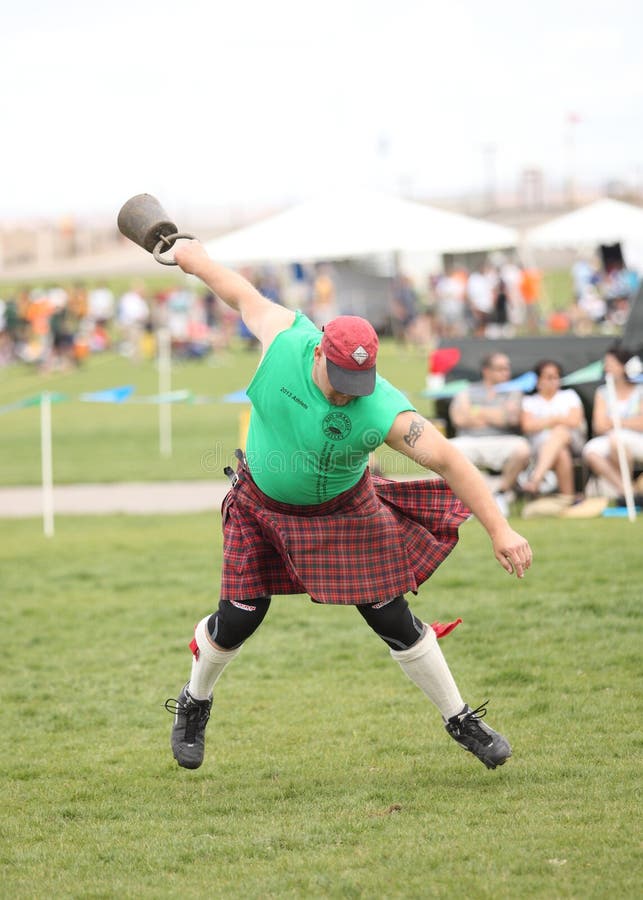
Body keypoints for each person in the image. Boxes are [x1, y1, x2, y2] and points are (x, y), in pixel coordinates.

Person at [165, 240, 533, 773]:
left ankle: (461, 720)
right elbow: (237, 291)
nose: (346, 396)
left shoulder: (380, 406)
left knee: (393, 616)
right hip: (260, 508)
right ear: (318, 352)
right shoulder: (284, 337)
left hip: (345, 510)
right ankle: (195, 702)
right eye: (339, 383)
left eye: (356, 386)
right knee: (239, 619)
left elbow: (451, 461)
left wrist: (500, 530)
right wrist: (186, 254)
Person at [449, 353, 531, 516]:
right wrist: (496, 414)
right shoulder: (468, 390)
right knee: (446, 451)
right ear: (486, 371)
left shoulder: (514, 390)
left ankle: (500, 493)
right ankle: (466, 500)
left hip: (503, 440)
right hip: (469, 440)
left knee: (523, 450)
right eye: (501, 369)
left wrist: (476, 411)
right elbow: (459, 418)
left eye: (507, 368)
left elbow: (510, 418)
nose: (506, 373)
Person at [582, 344, 643, 498]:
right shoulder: (603, 392)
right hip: (610, 437)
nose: (607, 368)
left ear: (624, 366)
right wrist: (629, 421)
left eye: (611, 364)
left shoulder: (640, 390)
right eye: (606, 364)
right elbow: (599, 425)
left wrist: (617, 421)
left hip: (636, 439)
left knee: (616, 440)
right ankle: (627, 491)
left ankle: (626, 494)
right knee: (591, 450)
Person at [520, 360, 587, 498]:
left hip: (573, 441)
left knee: (560, 432)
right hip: (539, 447)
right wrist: (557, 419)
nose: (553, 381)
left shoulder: (569, 395)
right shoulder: (530, 401)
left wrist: (546, 422)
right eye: (548, 377)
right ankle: (567, 499)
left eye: (555, 377)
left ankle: (535, 479)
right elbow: (527, 426)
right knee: (561, 453)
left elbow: (574, 421)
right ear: (538, 380)